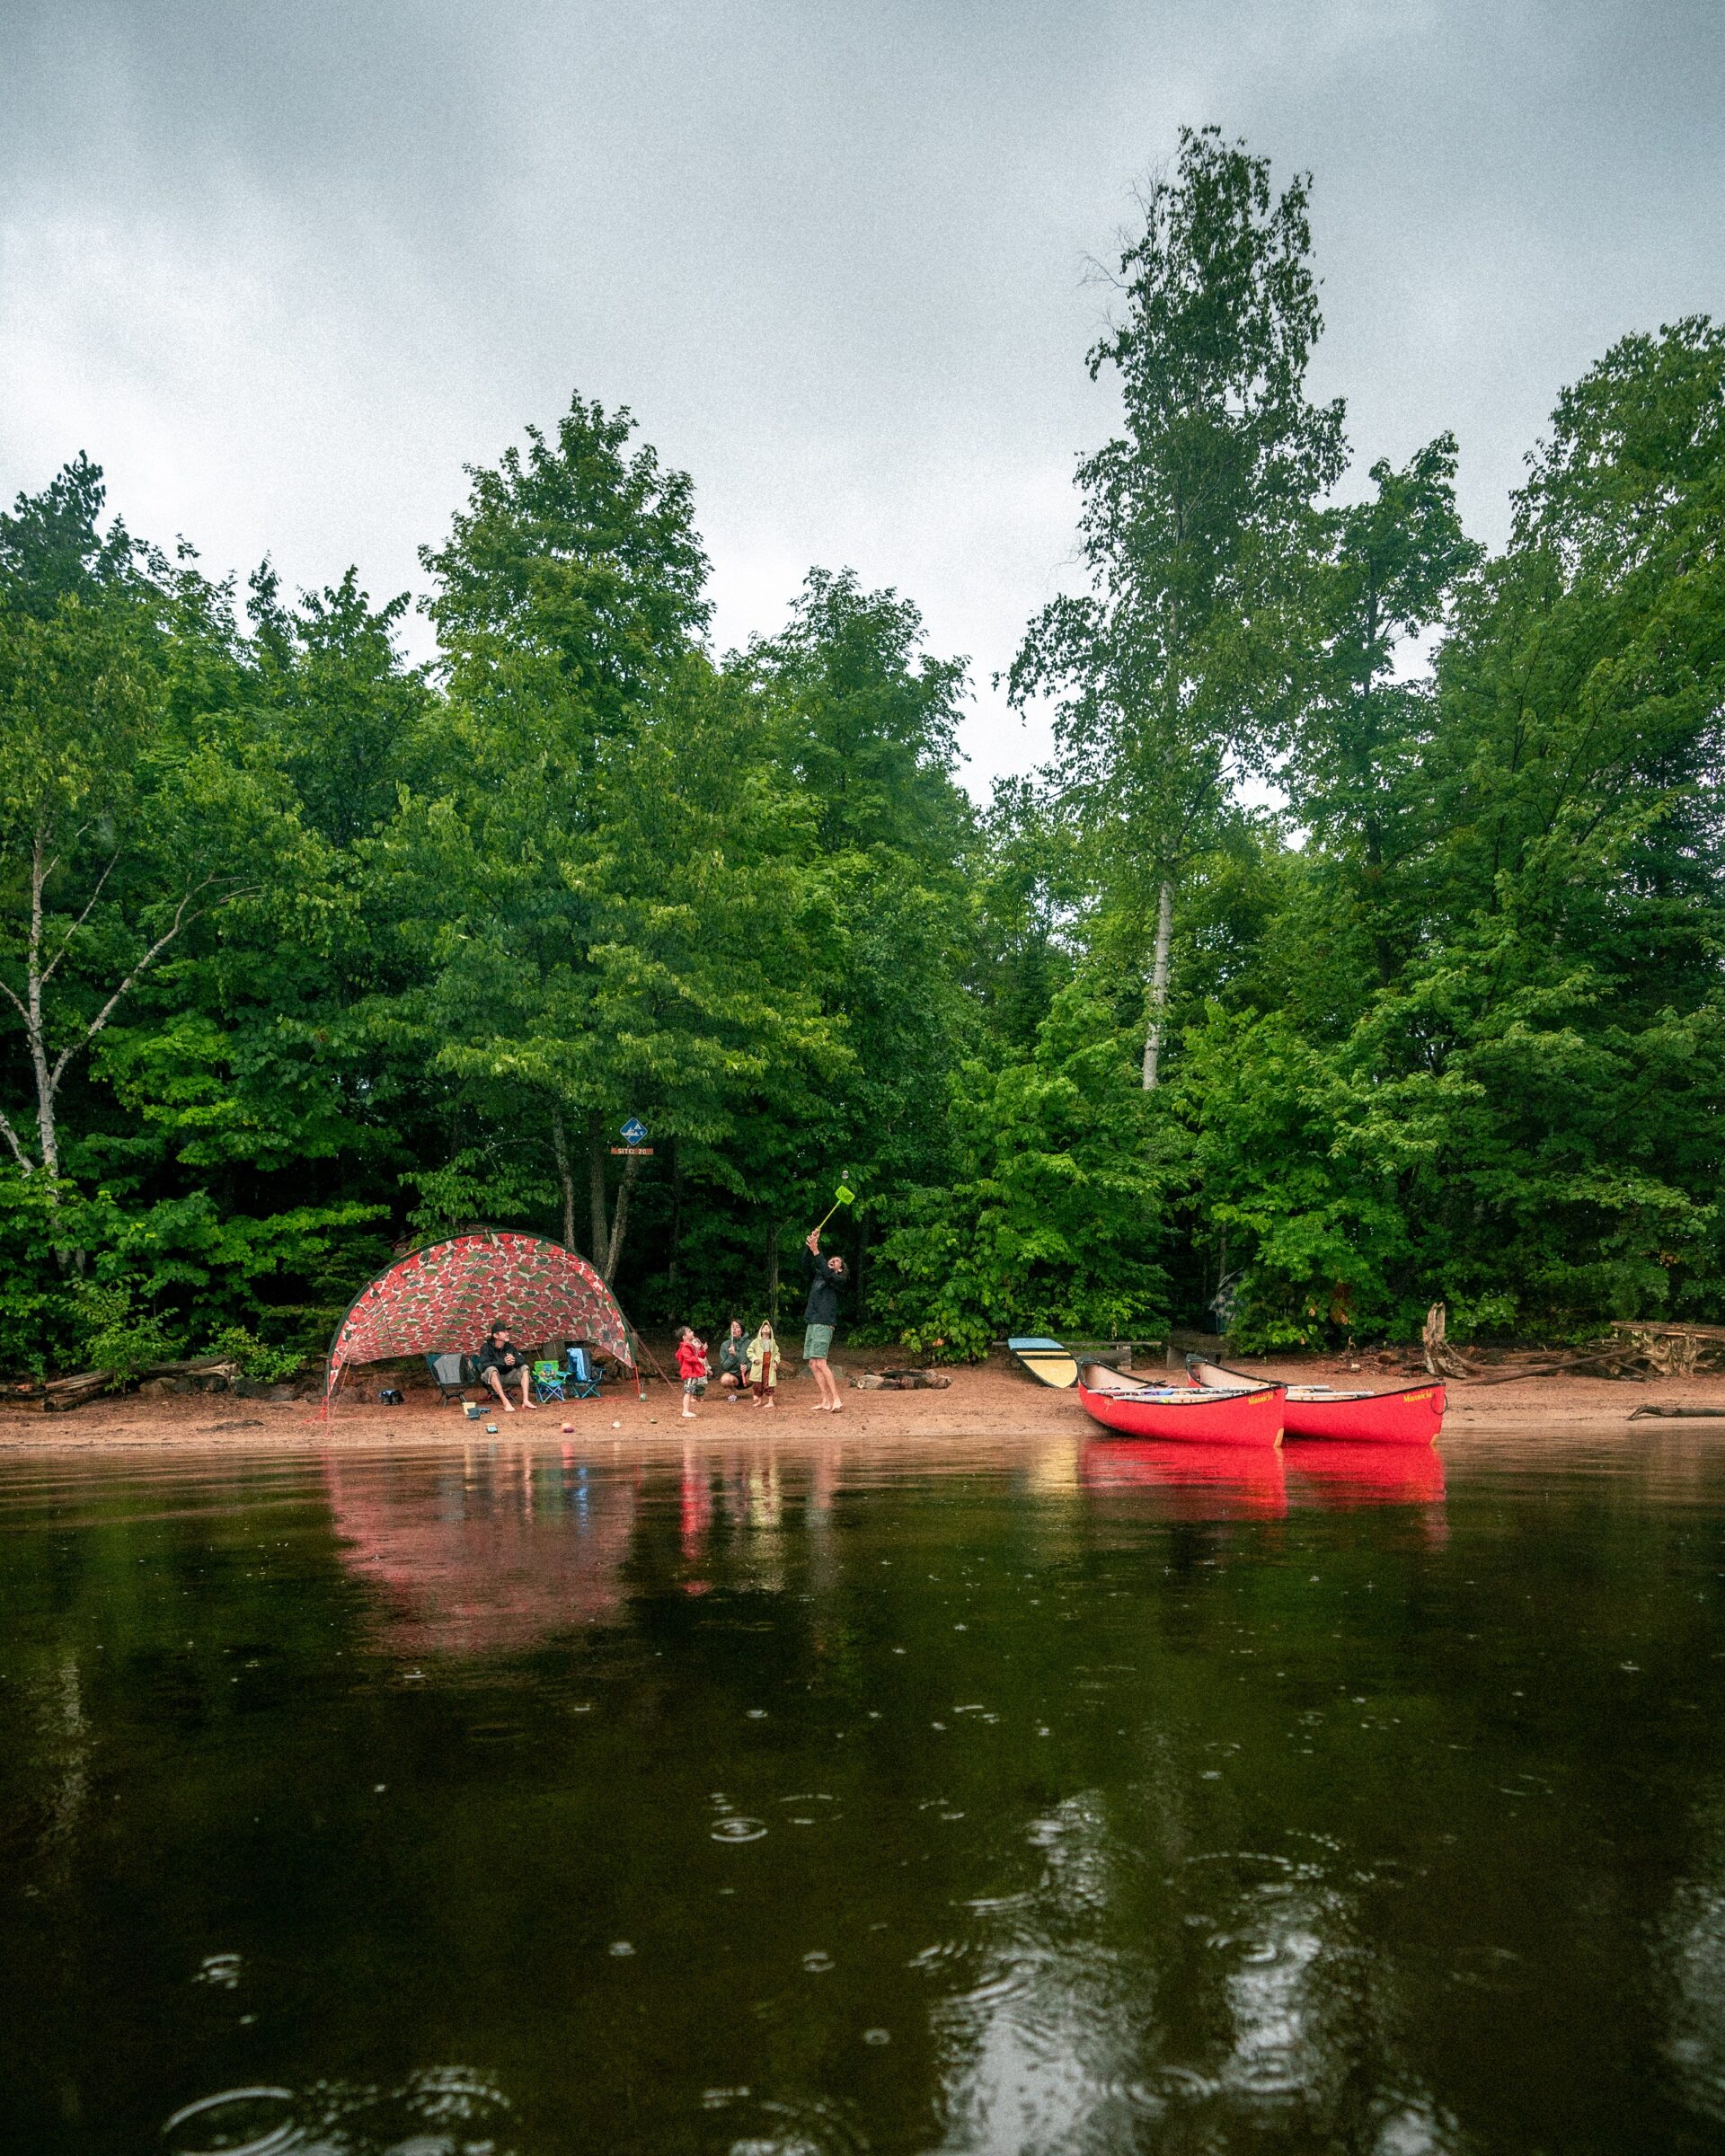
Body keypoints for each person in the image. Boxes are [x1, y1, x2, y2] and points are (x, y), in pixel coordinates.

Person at [801, 1229, 848, 1414]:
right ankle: (825, 1400)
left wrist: (817, 1251)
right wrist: (810, 1246)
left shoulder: (838, 1279)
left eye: (836, 1261)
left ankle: (837, 1400)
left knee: (821, 1362)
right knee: (812, 1364)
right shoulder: (820, 1276)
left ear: (840, 1268)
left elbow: (827, 1272)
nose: (832, 1261)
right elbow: (806, 1265)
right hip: (813, 1322)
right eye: (831, 1259)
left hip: (824, 1323)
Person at [477, 1320, 535, 1413]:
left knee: (524, 1368)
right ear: (496, 1335)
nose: (507, 1333)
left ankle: (526, 1400)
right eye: (504, 1332)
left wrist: (514, 1361)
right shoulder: (486, 1347)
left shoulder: (509, 1347)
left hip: (507, 1376)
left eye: (507, 1331)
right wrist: (502, 1362)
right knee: (492, 1369)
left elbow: (522, 1360)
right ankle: (506, 1402)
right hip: (490, 1378)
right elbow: (484, 1365)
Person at [676, 1324, 708, 1420]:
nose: (692, 1332)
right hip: (689, 1372)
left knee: (690, 1391)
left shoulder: (691, 1346)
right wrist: (698, 1359)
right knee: (688, 1392)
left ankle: (686, 1410)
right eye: (689, 1331)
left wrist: (704, 1351)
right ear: (684, 1337)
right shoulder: (686, 1347)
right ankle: (685, 1411)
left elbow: (699, 1355)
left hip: (692, 1373)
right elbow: (688, 1358)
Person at [748, 1320, 781, 1409]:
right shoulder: (755, 1342)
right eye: (764, 1328)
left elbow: (777, 1353)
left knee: (768, 1383)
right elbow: (749, 1351)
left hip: (768, 1367)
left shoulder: (772, 1343)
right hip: (759, 1366)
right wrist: (754, 1359)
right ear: (761, 1330)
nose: (766, 1329)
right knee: (758, 1384)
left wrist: (775, 1362)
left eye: (768, 1328)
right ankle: (759, 1401)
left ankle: (770, 1401)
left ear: (771, 1331)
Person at [716, 1318, 750, 1399]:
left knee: (758, 1370)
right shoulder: (725, 1345)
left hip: (748, 1376)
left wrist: (748, 1366)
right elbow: (724, 1366)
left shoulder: (749, 1343)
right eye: (732, 1327)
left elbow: (756, 1361)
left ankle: (757, 1393)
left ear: (742, 1331)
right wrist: (732, 1356)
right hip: (734, 1377)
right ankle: (733, 1392)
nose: (734, 1329)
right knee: (725, 1380)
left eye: (737, 1327)